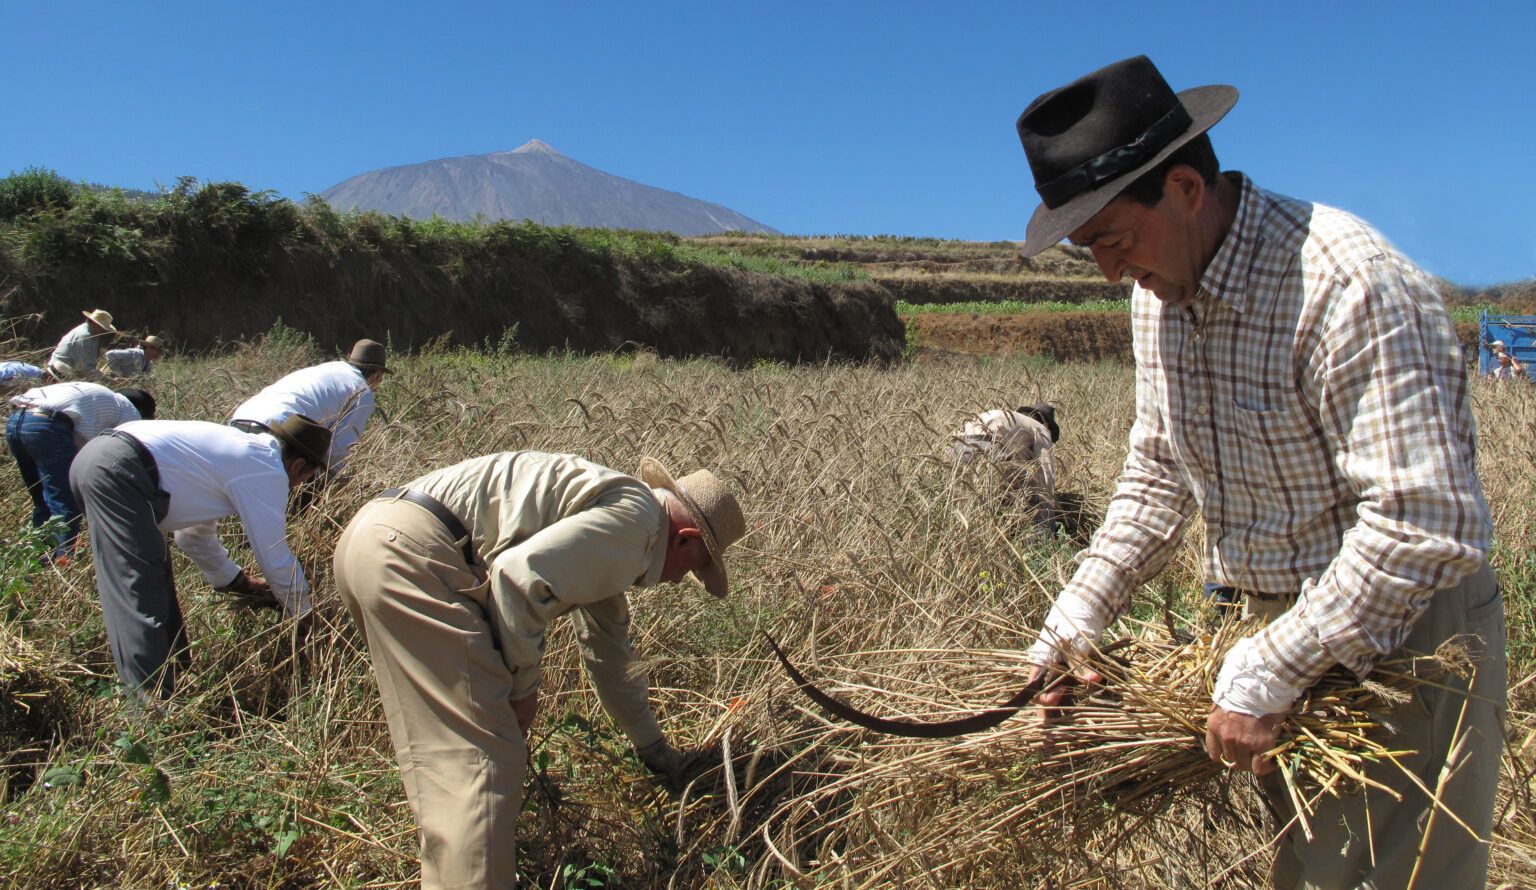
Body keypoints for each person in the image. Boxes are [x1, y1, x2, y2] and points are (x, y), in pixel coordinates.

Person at [1014, 56, 1500, 888]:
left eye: (1115, 241)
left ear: (1187, 191)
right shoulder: (1156, 294)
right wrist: (1075, 617)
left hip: (1403, 641)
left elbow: (1427, 522)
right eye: (1088, 251)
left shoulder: (1347, 288)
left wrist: (1274, 664)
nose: (1108, 272)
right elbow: (1158, 472)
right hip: (1275, 639)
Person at [333, 451, 746, 889]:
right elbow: (516, 579)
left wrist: (654, 749)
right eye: (698, 565)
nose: (683, 580)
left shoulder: (618, 525)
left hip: (374, 542)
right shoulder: (636, 525)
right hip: (414, 558)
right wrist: (522, 688)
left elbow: (611, 656)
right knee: (482, 767)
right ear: (683, 539)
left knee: (450, 770)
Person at [68, 414, 331, 698]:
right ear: (299, 464)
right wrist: (305, 615)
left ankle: (177, 674)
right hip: (119, 472)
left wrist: (237, 581)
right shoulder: (267, 469)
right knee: (138, 594)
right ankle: (149, 714)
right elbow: (276, 559)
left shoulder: (241, 455)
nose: (299, 486)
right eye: (306, 477)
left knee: (153, 571)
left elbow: (192, 536)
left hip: (102, 460)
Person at [6, 382, 155, 559]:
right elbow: (128, 455)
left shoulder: (100, 399)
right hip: (46, 424)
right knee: (66, 502)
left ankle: (36, 557)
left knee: (42, 499)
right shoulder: (130, 412)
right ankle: (62, 561)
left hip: (16, 420)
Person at [229, 338, 389, 481]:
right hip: (280, 433)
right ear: (377, 375)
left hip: (240, 420)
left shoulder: (327, 369)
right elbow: (336, 453)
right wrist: (336, 486)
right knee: (290, 503)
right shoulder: (362, 391)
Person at [948, 403, 1060, 534]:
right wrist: (1048, 525)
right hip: (989, 448)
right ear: (1046, 423)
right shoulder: (1040, 428)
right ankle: (1032, 540)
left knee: (964, 501)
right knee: (1025, 497)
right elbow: (1046, 475)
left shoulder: (1012, 420)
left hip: (957, 446)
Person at [47, 309, 118, 380]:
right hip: (58, 375)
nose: (103, 332)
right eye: (102, 329)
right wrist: (107, 379)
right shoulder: (84, 336)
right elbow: (84, 370)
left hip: (69, 373)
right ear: (94, 325)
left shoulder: (92, 335)